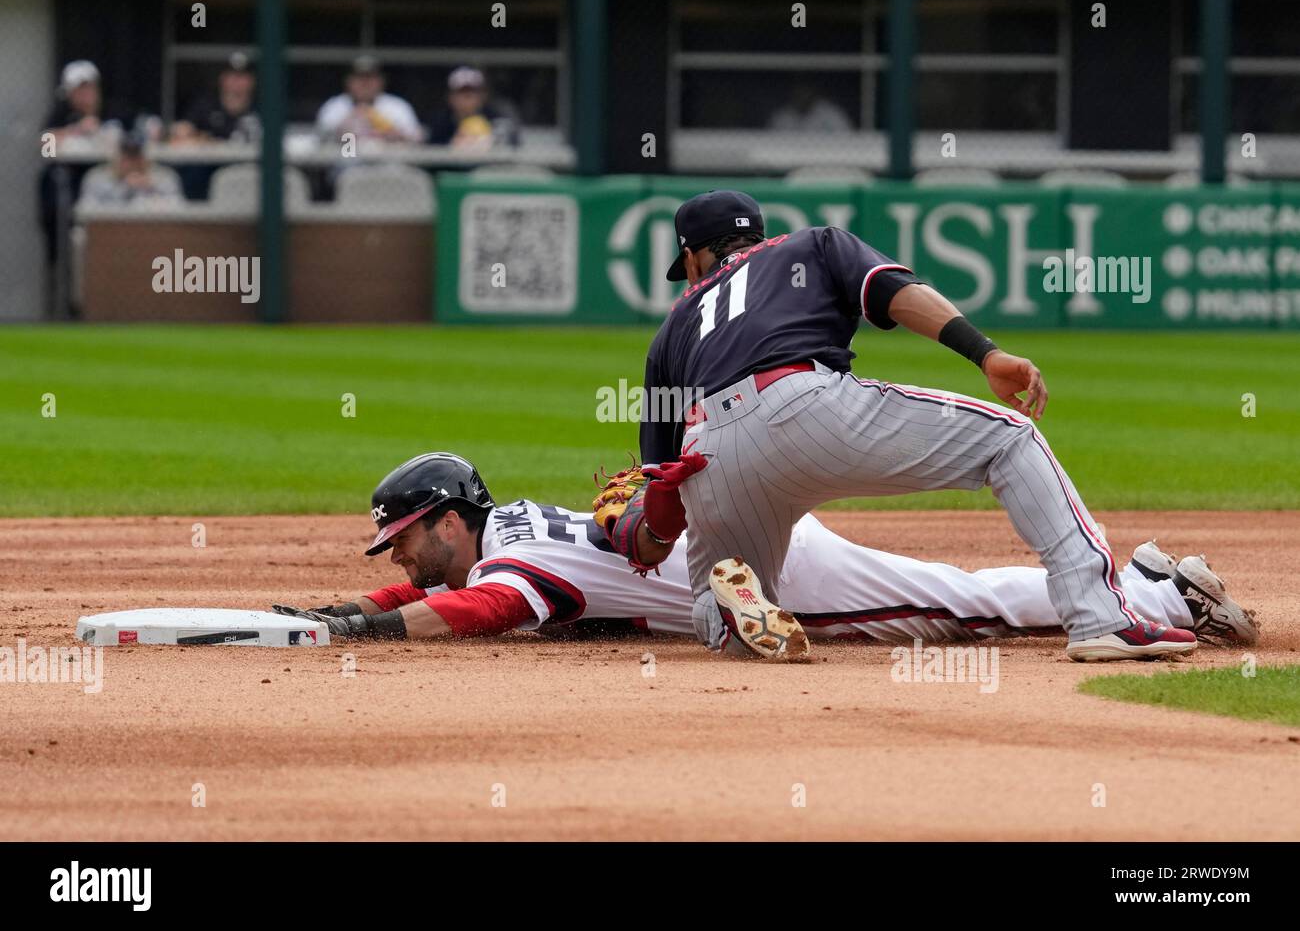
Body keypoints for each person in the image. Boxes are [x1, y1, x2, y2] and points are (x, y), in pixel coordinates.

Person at [616, 190, 1203, 663]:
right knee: (1009, 438)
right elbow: (894, 291)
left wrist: (659, 525)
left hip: (709, 454)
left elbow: (652, 502)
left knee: (716, 587)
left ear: (693, 258)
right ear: (757, 235)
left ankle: (721, 617)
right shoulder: (811, 244)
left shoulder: (670, 330)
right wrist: (985, 354)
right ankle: (1100, 618)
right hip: (803, 404)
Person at [271, 452, 1256, 652]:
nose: (394, 558)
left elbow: (481, 608)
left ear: (449, 520)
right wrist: (356, 606)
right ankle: (1142, 583)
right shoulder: (519, 522)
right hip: (734, 540)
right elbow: (476, 583)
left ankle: (1153, 594)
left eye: (403, 539)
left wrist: (361, 624)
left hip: (768, 570)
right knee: (947, 594)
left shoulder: (512, 572)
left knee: (955, 608)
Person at [315, 55, 421, 144]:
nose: (365, 84)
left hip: (390, 164)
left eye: (370, 78)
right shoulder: (335, 105)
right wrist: (350, 120)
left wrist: (391, 133)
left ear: (381, 81)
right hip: (348, 164)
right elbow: (321, 139)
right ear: (348, 81)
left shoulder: (397, 106)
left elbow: (417, 138)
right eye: (359, 78)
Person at [170, 51, 259, 143]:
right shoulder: (205, 105)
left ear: (252, 81)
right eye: (231, 76)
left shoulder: (262, 108)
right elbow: (180, 132)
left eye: (242, 77)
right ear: (222, 79)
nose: (236, 84)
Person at [78, 132, 182, 208]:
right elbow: (86, 210)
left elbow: (179, 207)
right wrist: (123, 188)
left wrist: (151, 187)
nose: (132, 163)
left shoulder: (165, 176)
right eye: (127, 157)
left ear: (146, 158)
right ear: (117, 157)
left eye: (136, 156)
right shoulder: (96, 177)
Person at [426, 66, 520, 150]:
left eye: (473, 92)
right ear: (451, 97)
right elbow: (431, 152)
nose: (468, 97)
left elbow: (513, 143)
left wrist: (488, 141)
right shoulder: (440, 123)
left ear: (482, 96)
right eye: (461, 92)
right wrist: (453, 145)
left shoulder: (494, 117)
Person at [767, 83, 852, 133]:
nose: (802, 95)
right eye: (799, 91)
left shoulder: (832, 114)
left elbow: (849, 141)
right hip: (789, 162)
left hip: (827, 161)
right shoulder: (782, 117)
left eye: (805, 91)